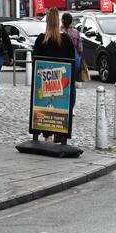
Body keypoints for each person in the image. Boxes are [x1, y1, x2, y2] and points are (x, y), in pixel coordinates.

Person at [33, 8, 78, 140]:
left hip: (45, 82)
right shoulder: (66, 40)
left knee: (44, 103)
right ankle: (60, 132)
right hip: (61, 82)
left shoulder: (41, 39)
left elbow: (35, 59)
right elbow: (71, 60)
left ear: (46, 21)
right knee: (60, 103)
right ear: (59, 21)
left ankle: (47, 135)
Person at [61, 12, 85, 80]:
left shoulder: (59, 31)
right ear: (71, 21)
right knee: (73, 78)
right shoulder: (76, 32)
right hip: (74, 56)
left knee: (63, 77)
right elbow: (80, 48)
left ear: (62, 21)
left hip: (62, 56)